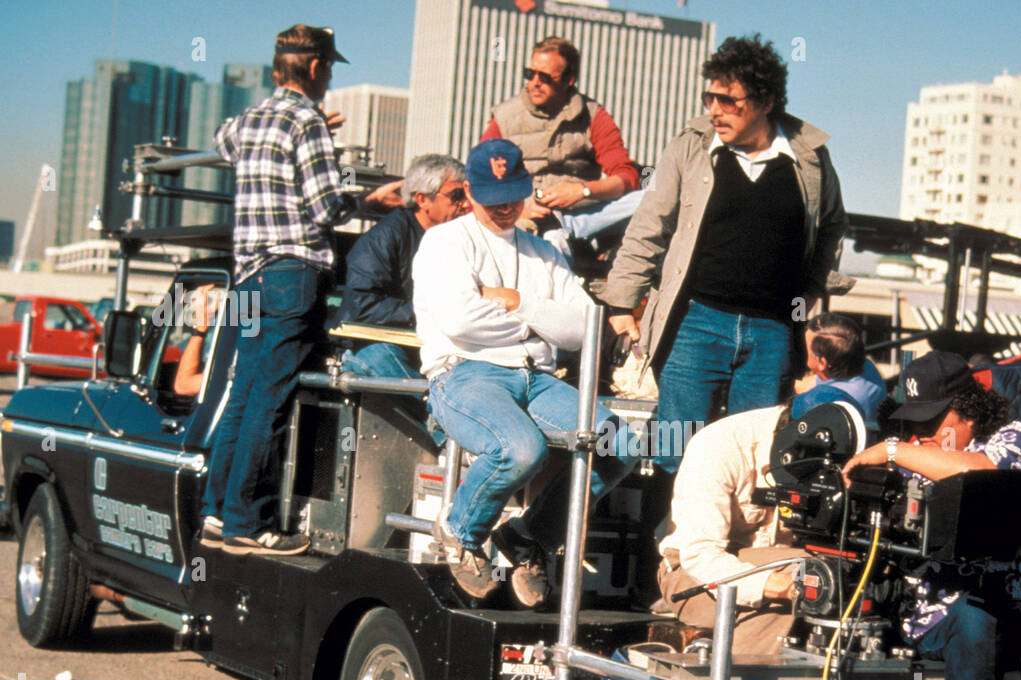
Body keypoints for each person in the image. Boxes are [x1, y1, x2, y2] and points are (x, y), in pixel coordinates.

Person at [603, 34, 851, 474]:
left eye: (728, 100)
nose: (714, 109)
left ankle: (729, 544)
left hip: (773, 332)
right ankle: (665, 542)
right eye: (709, 97)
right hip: (694, 324)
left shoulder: (809, 157)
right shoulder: (692, 147)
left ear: (765, 101)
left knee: (751, 456)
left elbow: (832, 224)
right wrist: (623, 301)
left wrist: (811, 289)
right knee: (674, 451)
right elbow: (650, 224)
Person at [200, 24, 402, 555]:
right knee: (272, 397)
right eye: (330, 69)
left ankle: (217, 513)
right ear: (314, 68)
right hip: (291, 273)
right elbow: (325, 207)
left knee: (243, 391)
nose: (330, 78)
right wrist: (366, 200)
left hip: (246, 276)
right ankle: (250, 523)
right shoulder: (307, 120)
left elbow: (222, 141)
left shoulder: (248, 121)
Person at [412, 138, 636, 606]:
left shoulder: (545, 251)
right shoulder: (444, 241)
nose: (506, 207)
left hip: (537, 376)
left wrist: (517, 302)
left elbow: (583, 329)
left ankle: (527, 535)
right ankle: (459, 531)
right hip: (464, 373)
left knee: (620, 444)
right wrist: (539, 325)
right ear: (470, 192)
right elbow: (460, 322)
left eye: (514, 193)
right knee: (519, 450)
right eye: (493, 198)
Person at [842, 351, 1021, 680]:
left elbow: (982, 474)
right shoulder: (917, 449)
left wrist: (893, 452)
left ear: (969, 407)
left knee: (976, 613)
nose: (926, 432)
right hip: (917, 611)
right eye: (916, 423)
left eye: (936, 419)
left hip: (996, 612)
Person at [659, 387, 871, 663]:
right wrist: (781, 586)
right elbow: (700, 557)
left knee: (825, 575)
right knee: (809, 577)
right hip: (691, 575)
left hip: (782, 561)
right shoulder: (718, 445)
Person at [481, 36, 641, 254]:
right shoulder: (504, 117)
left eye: (545, 77)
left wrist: (582, 191)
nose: (535, 82)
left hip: (585, 214)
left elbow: (626, 177)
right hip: (529, 217)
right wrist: (519, 210)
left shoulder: (594, 115)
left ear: (569, 80)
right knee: (550, 242)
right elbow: (482, 179)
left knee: (651, 197)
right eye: (530, 74)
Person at [337, 154, 468, 381]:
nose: (464, 203)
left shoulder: (463, 237)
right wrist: (427, 312)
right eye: (456, 195)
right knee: (378, 358)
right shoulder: (384, 237)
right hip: (379, 344)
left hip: (438, 345)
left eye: (467, 195)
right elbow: (362, 304)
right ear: (422, 199)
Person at [792, 312, 887, 422]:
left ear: (822, 363)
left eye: (804, 347)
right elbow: (811, 383)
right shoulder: (864, 365)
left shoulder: (831, 400)